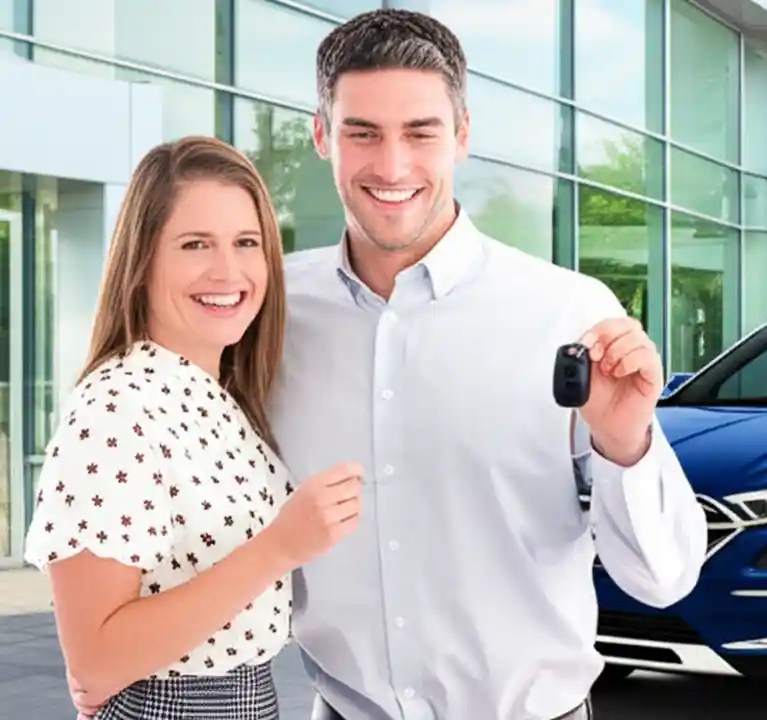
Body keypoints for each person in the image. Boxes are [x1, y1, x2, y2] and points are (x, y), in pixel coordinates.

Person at [267, 8, 708, 720]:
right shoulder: (272, 314)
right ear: (323, 135)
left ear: (463, 135)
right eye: (362, 133)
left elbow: (664, 580)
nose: (392, 165)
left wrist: (626, 446)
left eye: (420, 132)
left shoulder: (568, 314)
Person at [26, 136, 365, 720]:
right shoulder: (120, 406)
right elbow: (96, 659)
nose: (227, 271)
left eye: (246, 243)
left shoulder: (214, 393)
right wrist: (280, 547)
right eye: (194, 244)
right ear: (142, 259)